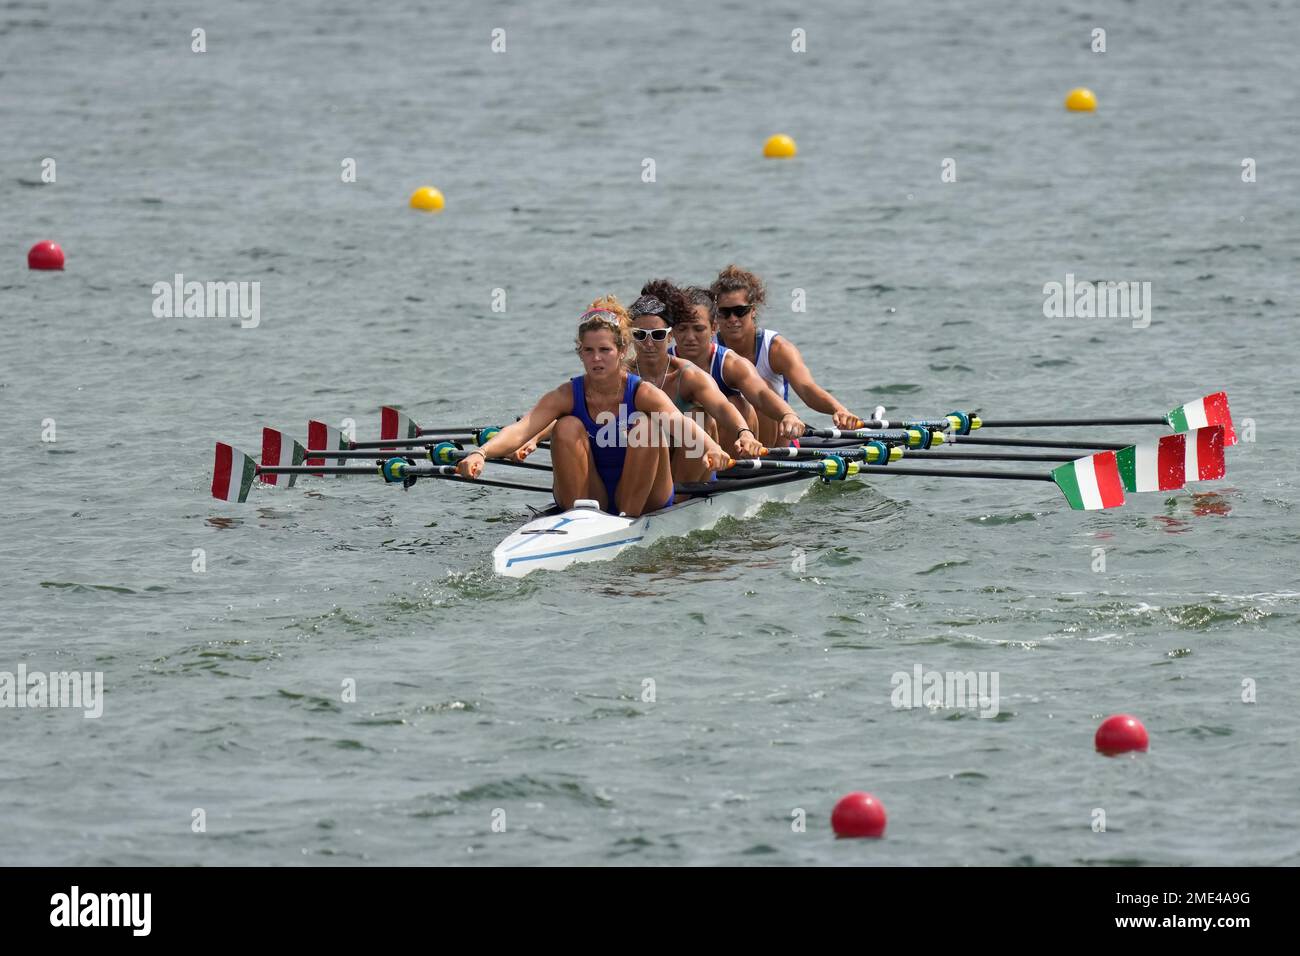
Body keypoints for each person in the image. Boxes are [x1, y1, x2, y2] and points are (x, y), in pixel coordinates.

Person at [455, 295, 729, 516]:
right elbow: (521, 429)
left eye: (605, 350)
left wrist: (712, 448)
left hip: (646, 496)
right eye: (589, 351)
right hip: (590, 492)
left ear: (622, 351)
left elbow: (680, 424)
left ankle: (626, 520)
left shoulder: (642, 392)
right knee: (566, 426)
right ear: (580, 353)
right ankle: (580, 517)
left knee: (647, 427)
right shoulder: (566, 394)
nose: (597, 359)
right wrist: (481, 453)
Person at [626, 280, 765, 482]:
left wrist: (745, 433)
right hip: (639, 462)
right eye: (639, 335)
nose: (648, 343)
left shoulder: (688, 375)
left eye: (657, 335)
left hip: (686, 471)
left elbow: (722, 407)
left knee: (701, 419)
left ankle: (678, 502)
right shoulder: (620, 374)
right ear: (629, 337)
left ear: (670, 336)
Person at [710, 264, 861, 448]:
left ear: (753, 310)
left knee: (758, 393)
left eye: (740, 311)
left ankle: (760, 458)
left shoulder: (777, 349)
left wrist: (839, 409)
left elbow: (806, 388)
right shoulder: (708, 349)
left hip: (776, 443)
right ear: (715, 315)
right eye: (724, 312)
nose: (733, 319)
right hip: (729, 442)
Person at [669, 285, 807, 448]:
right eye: (682, 329)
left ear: (713, 328)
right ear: (672, 330)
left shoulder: (731, 364)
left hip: (734, 447)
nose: (690, 337)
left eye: (698, 329)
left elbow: (762, 394)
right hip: (685, 446)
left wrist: (788, 414)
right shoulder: (664, 364)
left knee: (741, 404)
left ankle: (760, 460)